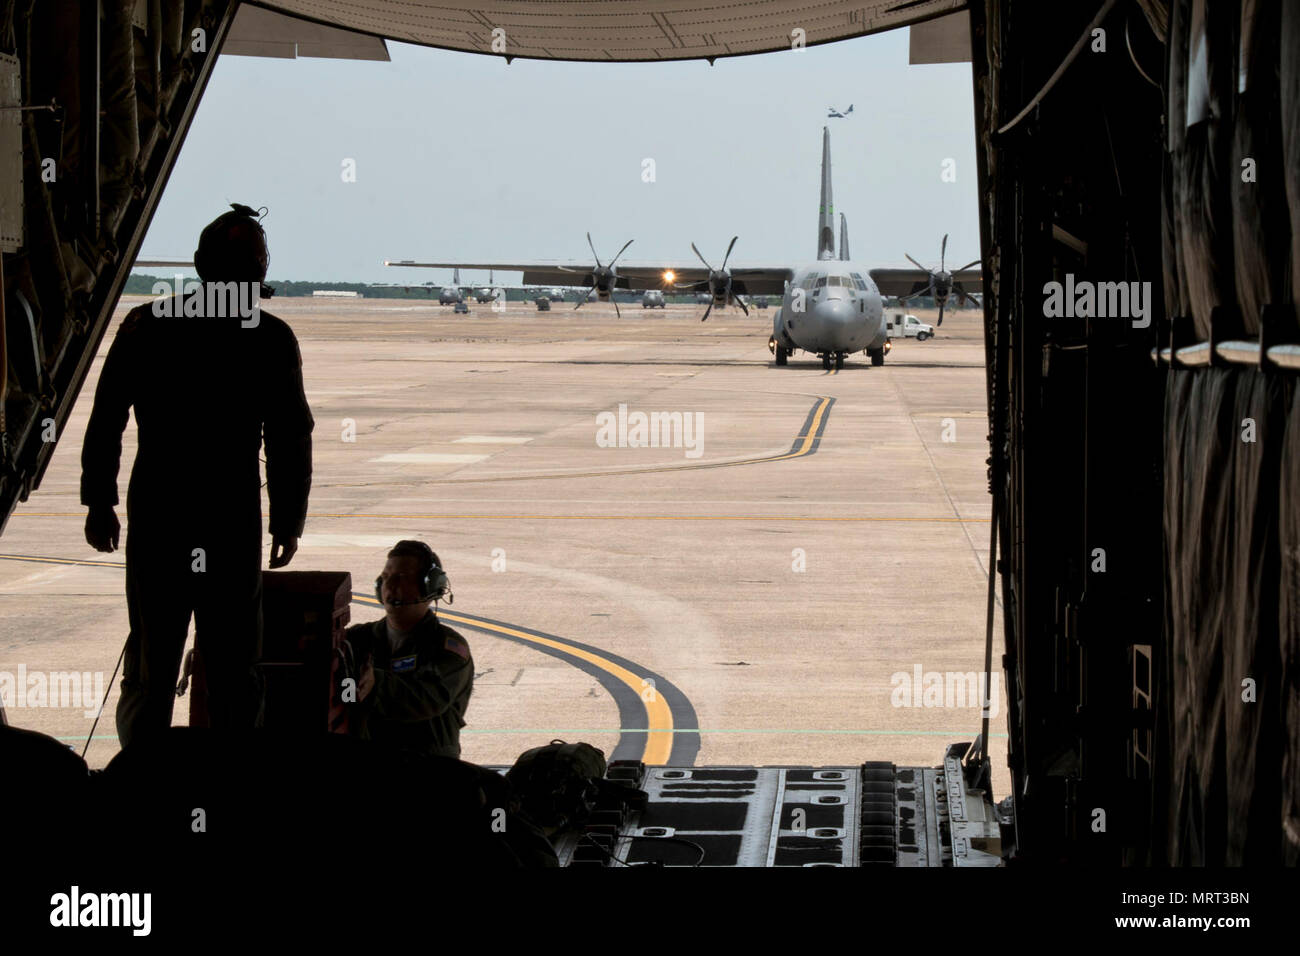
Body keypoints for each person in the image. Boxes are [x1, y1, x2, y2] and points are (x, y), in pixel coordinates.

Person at [81, 204, 314, 747]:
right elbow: (289, 436)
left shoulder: (147, 325)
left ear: (199, 264)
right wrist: (287, 519)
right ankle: (230, 795)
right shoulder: (271, 338)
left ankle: (142, 784)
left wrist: (100, 501)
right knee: (235, 668)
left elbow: (107, 417)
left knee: (152, 661)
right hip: (229, 523)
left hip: (160, 518)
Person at [345, 541, 473, 759]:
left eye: (401, 578)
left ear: (429, 587)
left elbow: (426, 700)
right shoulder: (357, 639)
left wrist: (376, 683)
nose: (389, 586)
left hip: (429, 768)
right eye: (385, 578)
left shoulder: (449, 648)